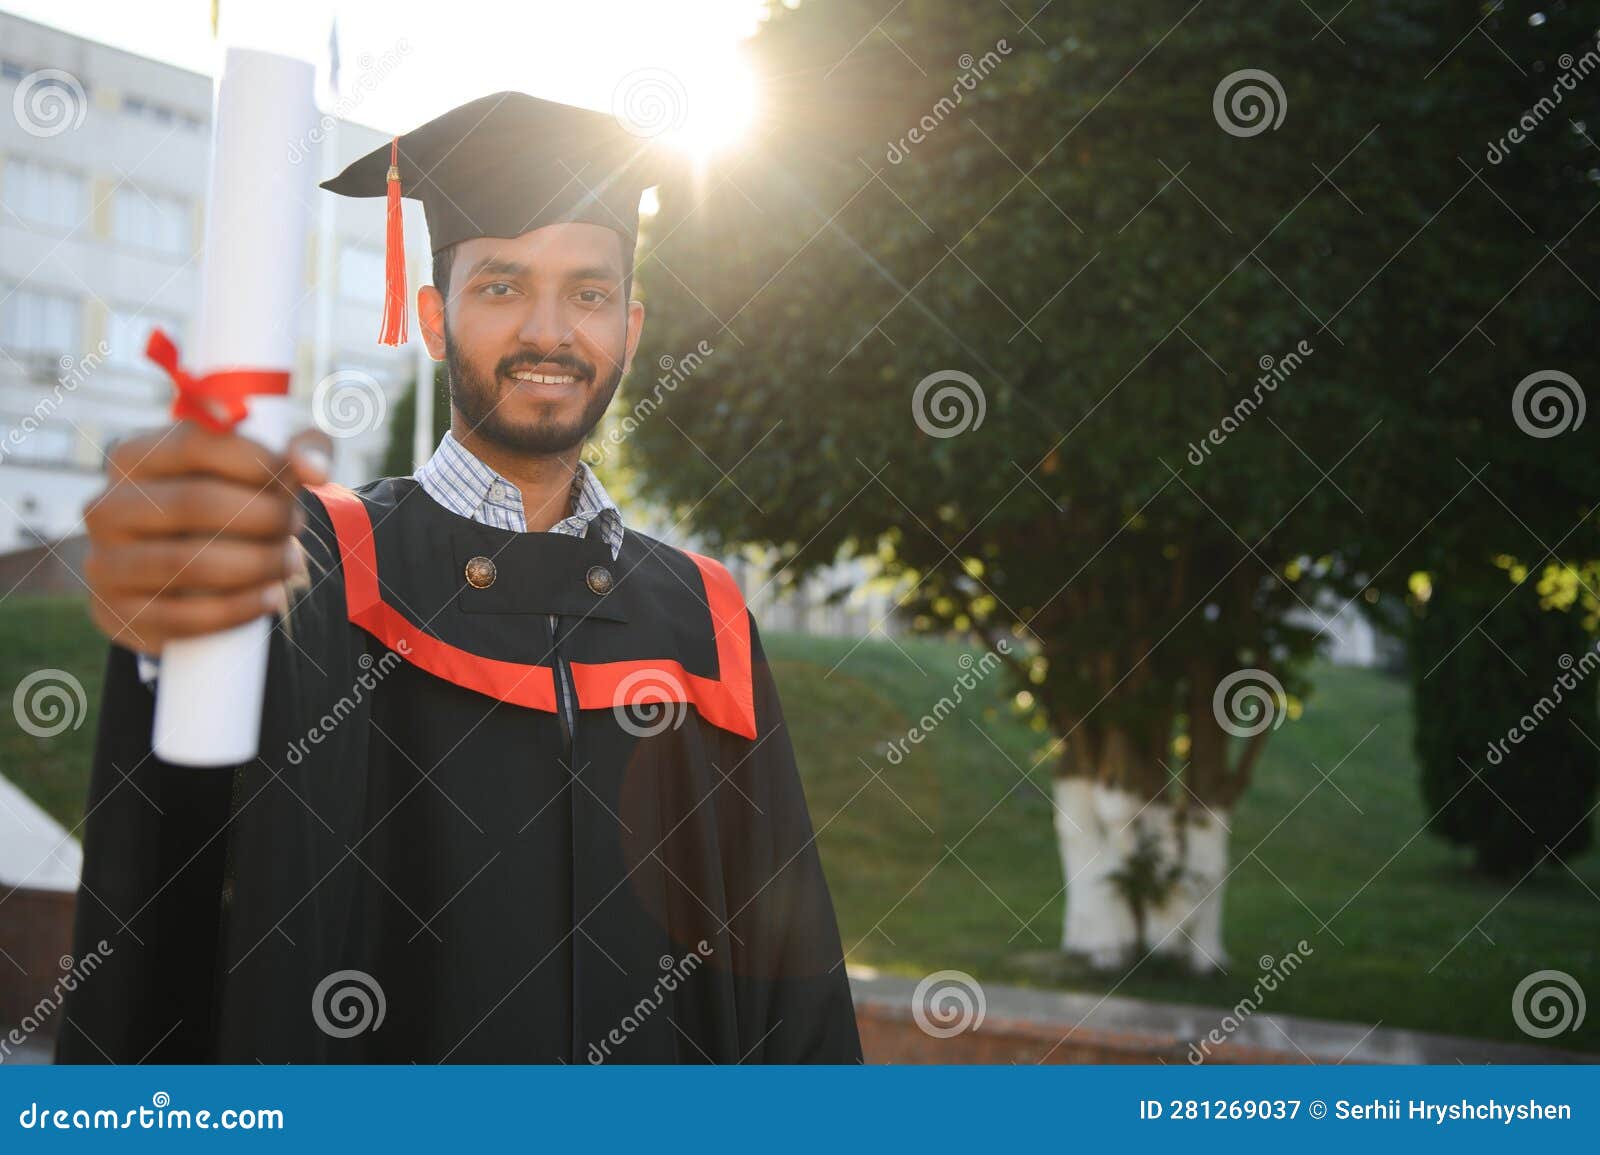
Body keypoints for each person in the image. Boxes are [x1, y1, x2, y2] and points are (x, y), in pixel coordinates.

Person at [57, 91, 862, 1064]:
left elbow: (787, 979)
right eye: (502, 286)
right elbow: (185, 828)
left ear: (632, 329)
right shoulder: (320, 561)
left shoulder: (704, 618)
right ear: (433, 319)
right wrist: (173, 618)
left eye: (590, 294)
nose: (550, 332)